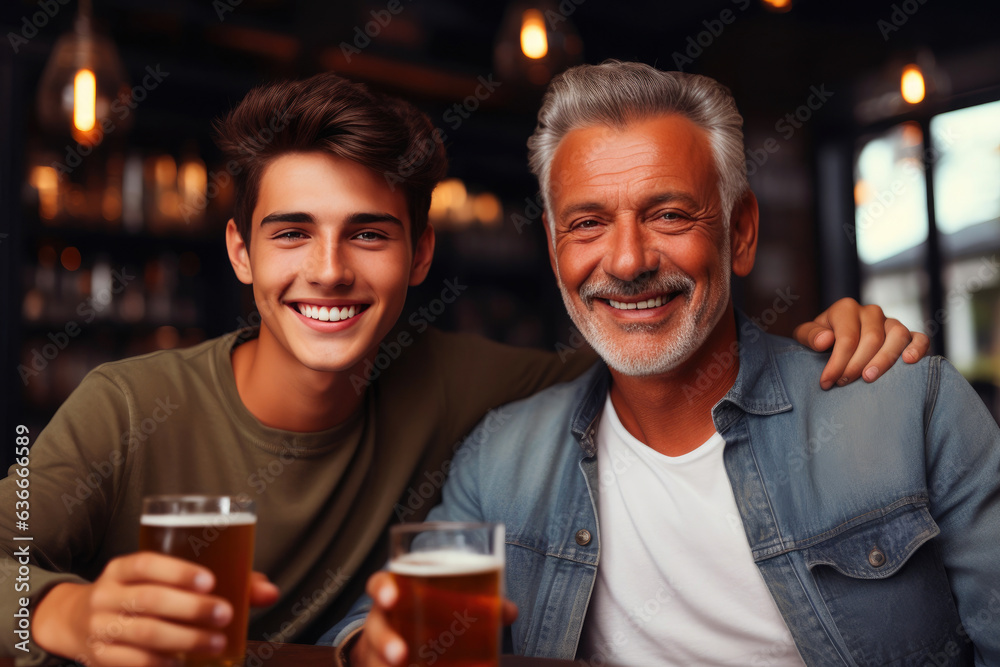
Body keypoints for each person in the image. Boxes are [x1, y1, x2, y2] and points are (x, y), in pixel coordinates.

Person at [1, 72, 926, 666]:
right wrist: (62, 616)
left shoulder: (483, 389)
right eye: (292, 234)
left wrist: (820, 336)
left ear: (420, 254)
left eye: (368, 234)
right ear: (241, 252)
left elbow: (655, 336)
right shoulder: (127, 407)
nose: (328, 270)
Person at [340, 62, 1000, 666]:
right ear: (552, 245)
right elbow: (393, 622)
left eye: (668, 214)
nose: (627, 261)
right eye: (588, 223)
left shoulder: (912, 409)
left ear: (740, 232)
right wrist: (369, 645)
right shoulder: (499, 459)